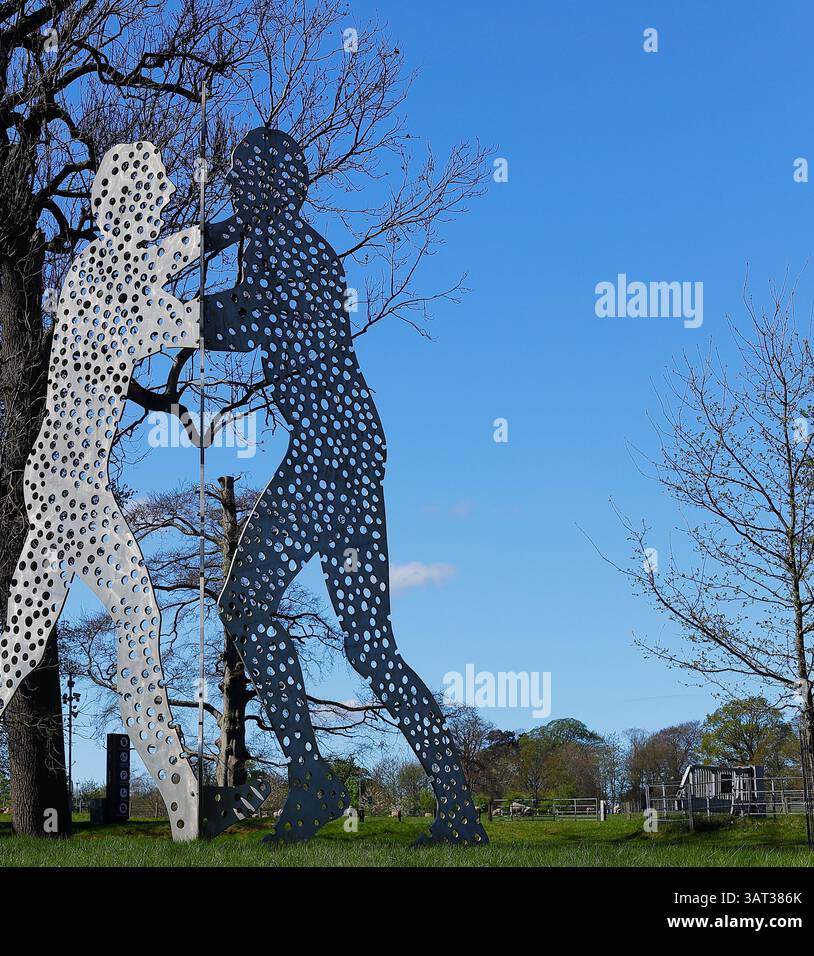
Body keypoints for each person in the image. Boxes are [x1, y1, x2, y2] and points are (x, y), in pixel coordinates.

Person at [0, 141, 234, 840]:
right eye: (151, 195)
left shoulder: (105, 268)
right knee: (139, 619)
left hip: (59, 480)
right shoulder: (106, 283)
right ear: (121, 205)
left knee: (24, 639)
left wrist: (228, 227)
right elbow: (193, 319)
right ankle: (184, 806)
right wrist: (268, 305)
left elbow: (171, 256)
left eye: (161, 199)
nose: (160, 204)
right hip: (69, 485)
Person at [202, 128, 487, 845]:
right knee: (365, 645)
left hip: (334, 457)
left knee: (254, 605)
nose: (243, 190)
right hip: (338, 453)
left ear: (285, 189)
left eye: (256, 180)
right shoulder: (269, 237)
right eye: (239, 179)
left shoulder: (293, 249)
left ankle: (318, 782)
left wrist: (162, 318)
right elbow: (243, 293)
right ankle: (441, 810)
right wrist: (205, 240)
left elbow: (250, 316)